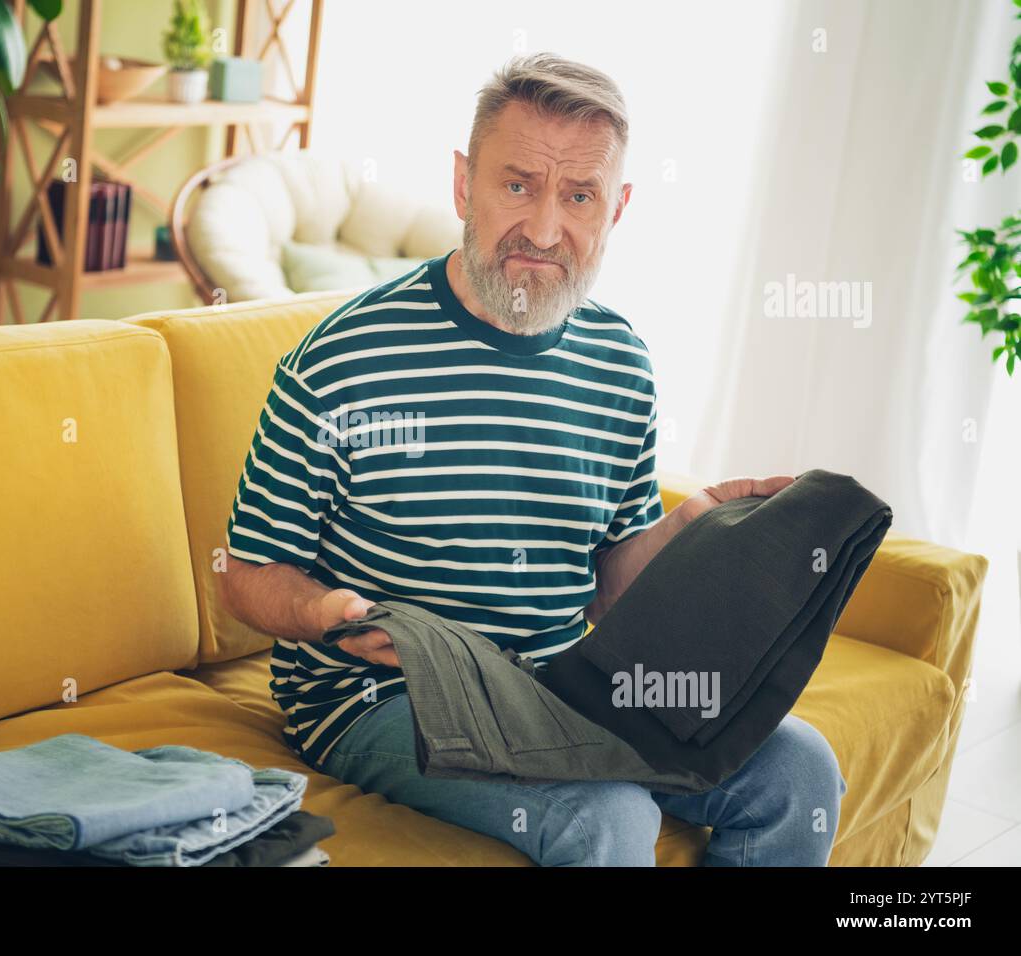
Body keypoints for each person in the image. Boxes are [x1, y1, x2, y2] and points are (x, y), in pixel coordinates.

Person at [218, 52, 845, 866]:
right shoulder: (343, 362)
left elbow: (608, 592)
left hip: (558, 687)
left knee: (802, 771)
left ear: (615, 209)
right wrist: (325, 613)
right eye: (517, 185)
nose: (546, 230)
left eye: (578, 196)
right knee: (609, 817)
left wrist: (688, 533)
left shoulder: (621, 362)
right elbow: (239, 572)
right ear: (462, 183)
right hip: (380, 698)